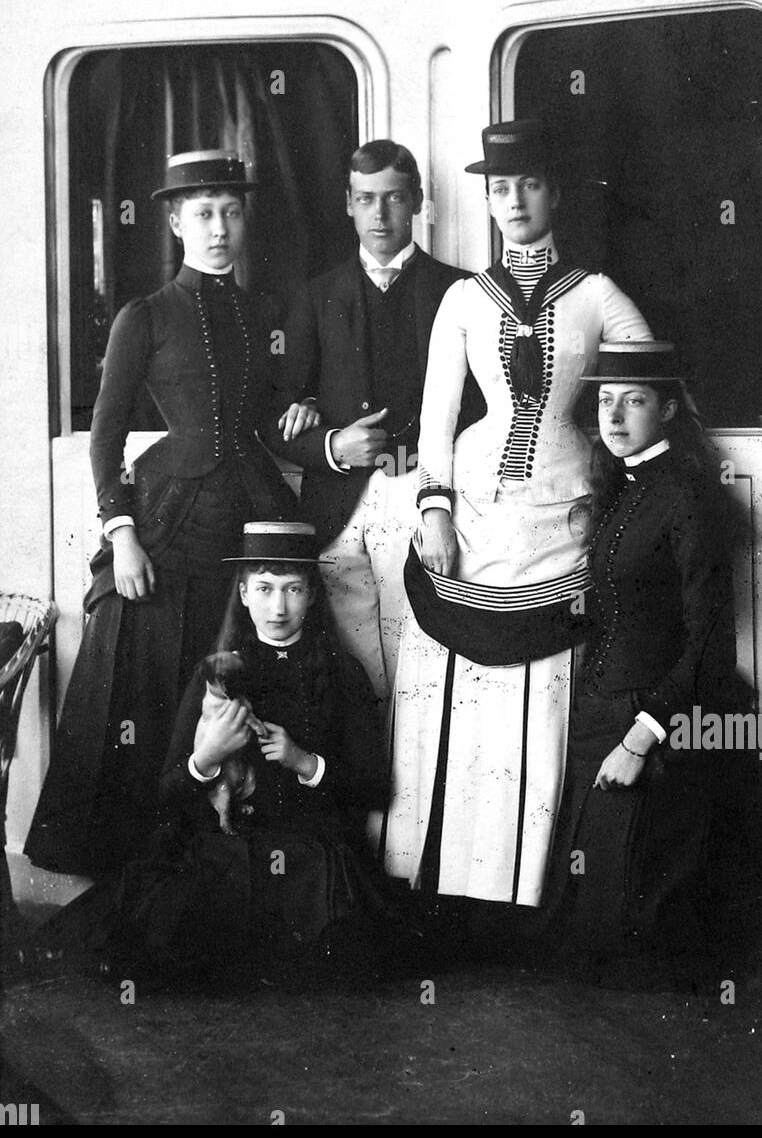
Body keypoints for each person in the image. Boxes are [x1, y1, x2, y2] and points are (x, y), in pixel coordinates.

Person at [377, 120, 652, 920]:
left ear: (554, 193)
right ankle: (451, 883)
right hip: (471, 513)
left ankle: (528, 888)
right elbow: (433, 421)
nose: (515, 201)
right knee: (465, 693)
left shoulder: (595, 293)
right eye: (500, 188)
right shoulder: (463, 298)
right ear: (487, 201)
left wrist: (610, 462)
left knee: (544, 689)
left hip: (561, 521)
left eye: (529, 184)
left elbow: (648, 379)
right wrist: (432, 506)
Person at [25, 152, 314, 876]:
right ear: (176, 222)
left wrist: (309, 416)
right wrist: (121, 533)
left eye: (231, 211)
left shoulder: (262, 313)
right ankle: (139, 863)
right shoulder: (145, 316)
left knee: (245, 680)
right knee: (152, 694)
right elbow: (107, 433)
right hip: (166, 523)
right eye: (204, 213)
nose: (219, 228)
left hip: (247, 514)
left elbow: (270, 410)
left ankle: (226, 864)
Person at [22, 523, 392, 989]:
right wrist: (208, 757)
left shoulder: (342, 673)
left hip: (307, 851)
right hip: (224, 846)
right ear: (242, 593)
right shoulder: (214, 671)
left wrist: (304, 762)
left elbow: (375, 787)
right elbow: (169, 790)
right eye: (264, 588)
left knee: (324, 951)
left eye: (292, 589)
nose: (277, 607)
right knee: (157, 924)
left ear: (313, 595)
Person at [544, 341, 738, 989]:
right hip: (600, 715)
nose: (615, 416)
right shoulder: (621, 490)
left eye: (633, 401)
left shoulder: (686, 498)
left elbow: (707, 644)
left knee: (630, 946)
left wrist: (640, 738)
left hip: (657, 729)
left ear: (668, 408)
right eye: (605, 401)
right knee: (580, 937)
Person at [279, 139, 481, 701]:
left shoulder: (460, 290)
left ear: (415, 200)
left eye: (393, 198)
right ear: (348, 203)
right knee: (353, 672)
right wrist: (332, 446)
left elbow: (484, 410)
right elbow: (276, 414)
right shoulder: (314, 297)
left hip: (424, 499)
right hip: (336, 508)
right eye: (366, 199)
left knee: (423, 663)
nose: (380, 214)